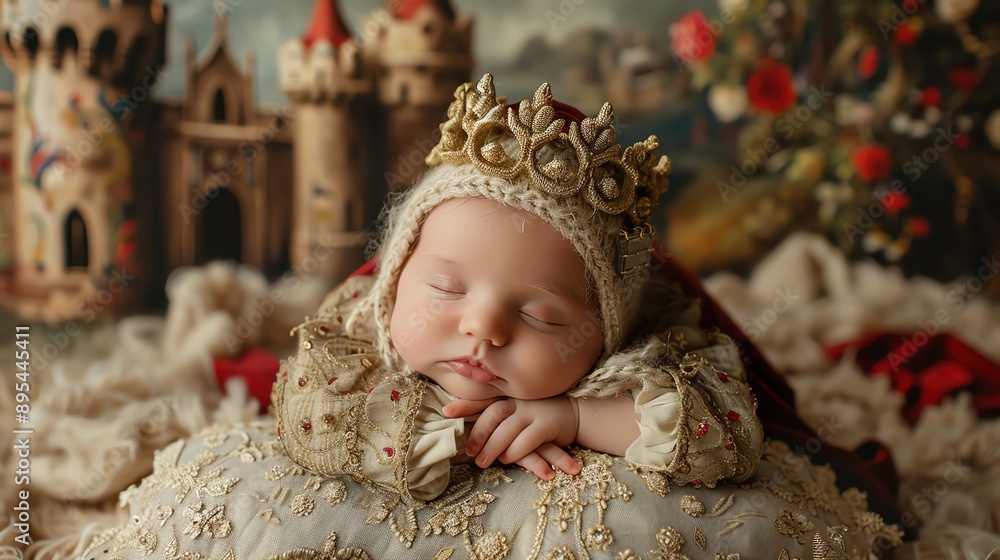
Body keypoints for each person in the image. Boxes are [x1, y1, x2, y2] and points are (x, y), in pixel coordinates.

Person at [87, 74, 903, 560]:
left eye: (542, 316)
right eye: (445, 289)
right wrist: (439, 433)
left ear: (606, 332)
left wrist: (581, 415)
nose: (484, 330)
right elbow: (307, 404)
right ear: (397, 277)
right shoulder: (359, 324)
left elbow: (728, 428)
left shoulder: (657, 338)